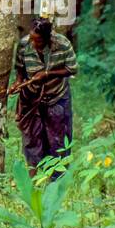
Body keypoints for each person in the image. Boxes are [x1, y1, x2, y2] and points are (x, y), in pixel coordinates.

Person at [13, 16, 78, 172]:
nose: (34, 44)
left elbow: (72, 69)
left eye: (39, 41)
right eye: (32, 39)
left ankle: (56, 179)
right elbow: (20, 69)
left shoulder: (62, 45)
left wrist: (48, 74)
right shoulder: (24, 45)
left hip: (57, 96)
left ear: (48, 38)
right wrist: (18, 83)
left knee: (58, 140)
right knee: (31, 139)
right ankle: (34, 176)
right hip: (32, 98)